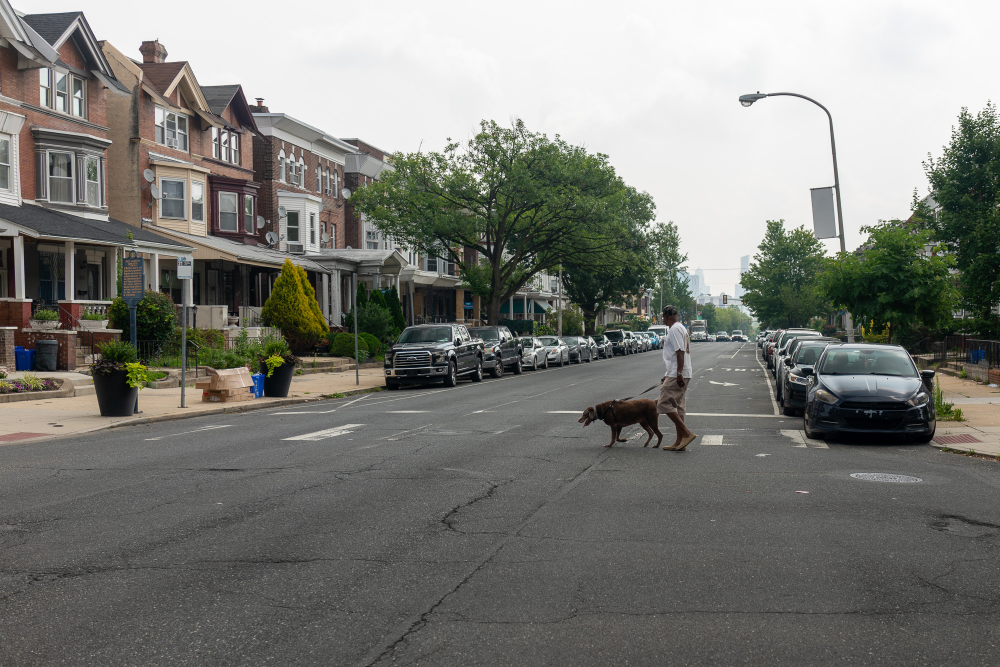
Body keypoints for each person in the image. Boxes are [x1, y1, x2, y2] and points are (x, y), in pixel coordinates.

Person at [657, 305, 697, 451]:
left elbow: (679, 352)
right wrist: (669, 373)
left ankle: (686, 434)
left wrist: (678, 373)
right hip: (679, 372)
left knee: (663, 403)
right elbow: (677, 354)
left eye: (664, 318)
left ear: (666, 317)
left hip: (678, 373)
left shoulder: (674, 329)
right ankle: (680, 442)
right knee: (678, 406)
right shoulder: (681, 327)